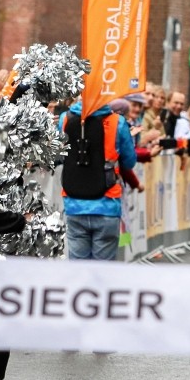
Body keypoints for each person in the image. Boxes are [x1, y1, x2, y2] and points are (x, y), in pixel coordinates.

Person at [60, 96, 140, 261]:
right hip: (107, 204)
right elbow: (129, 161)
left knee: (78, 270)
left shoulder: (64, 119)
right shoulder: (118, 122)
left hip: (74, 204)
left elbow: (59, 154)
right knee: (102, 273)